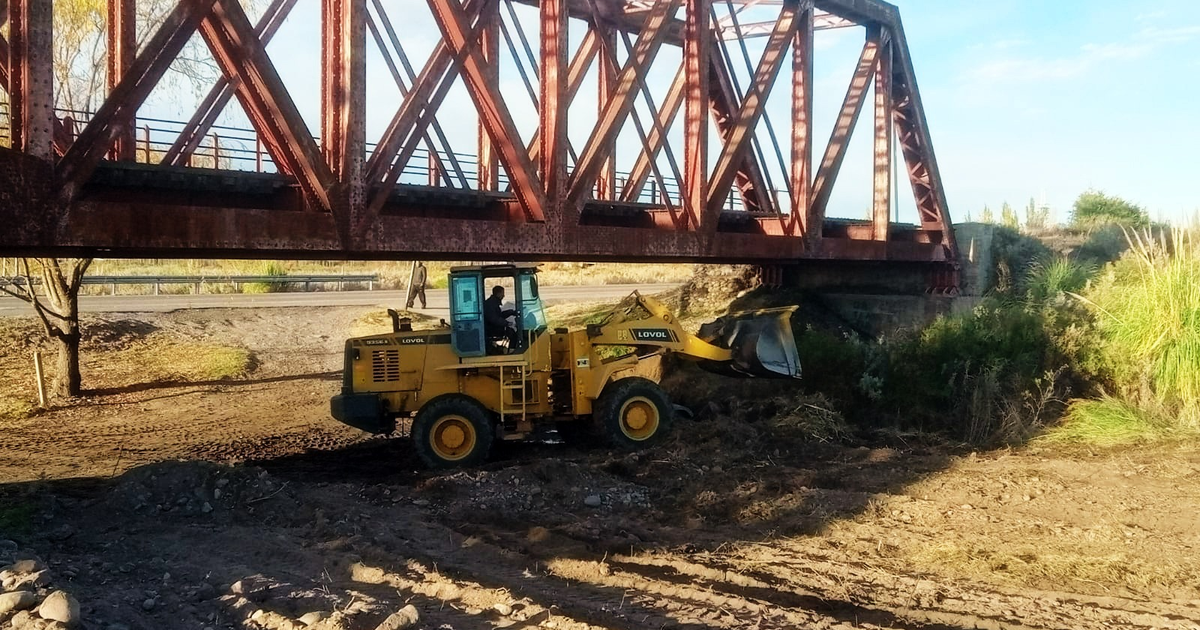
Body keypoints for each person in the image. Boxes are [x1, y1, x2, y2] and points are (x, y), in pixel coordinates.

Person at [484, 285, 519, 350]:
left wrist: (511, 312)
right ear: (498, 294)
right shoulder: (490, 304)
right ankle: (512, 351)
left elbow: (499, 316)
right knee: (512, 334)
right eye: (502, 293)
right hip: (491, 329)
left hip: (492, 327)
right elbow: (494, 319)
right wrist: (507, 323)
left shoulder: (492, 302)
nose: (504, 295)